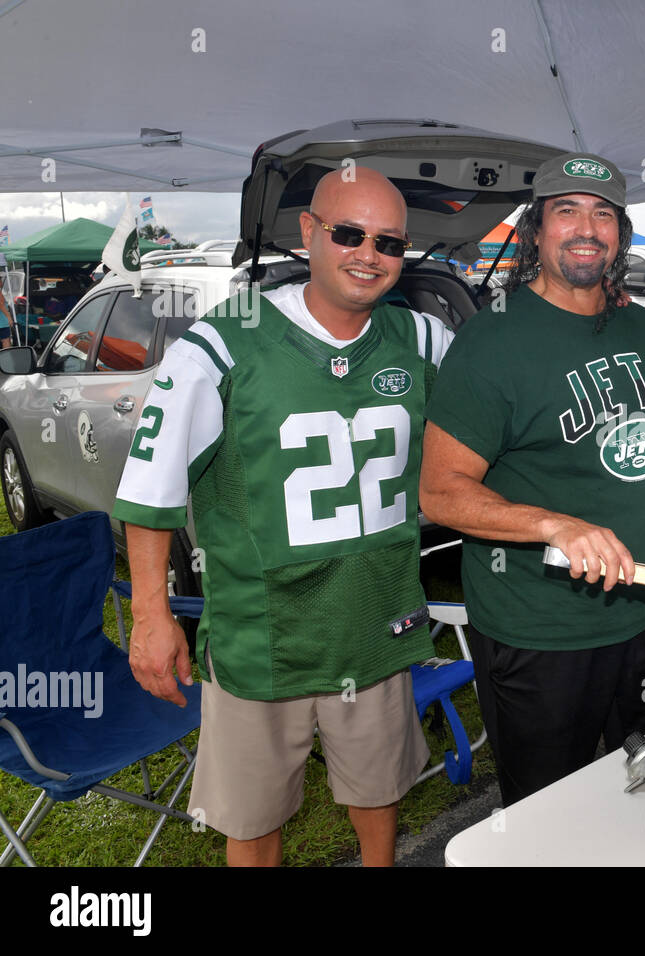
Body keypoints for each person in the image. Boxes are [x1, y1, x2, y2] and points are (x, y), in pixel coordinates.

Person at [114, 167, 452, 865]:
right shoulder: (225, 343)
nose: (368, 255)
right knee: (253, 815)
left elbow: (502, 418)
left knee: (378, 791)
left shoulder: (422, 341)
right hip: (262, 635)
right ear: (308, 232)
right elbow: (152, 486)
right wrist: (150, 613)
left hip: (376, 622)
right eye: (348, 233)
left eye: (388, 243)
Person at [420, 152, 645, 806]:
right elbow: (441, 492)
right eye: (567, 211)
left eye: (602, 213)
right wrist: (554, 524)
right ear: (536, 230)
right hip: (539, 634)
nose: (587, 227)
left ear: (618, 233)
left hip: (643, 619)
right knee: (545, 815)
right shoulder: (491, 342)